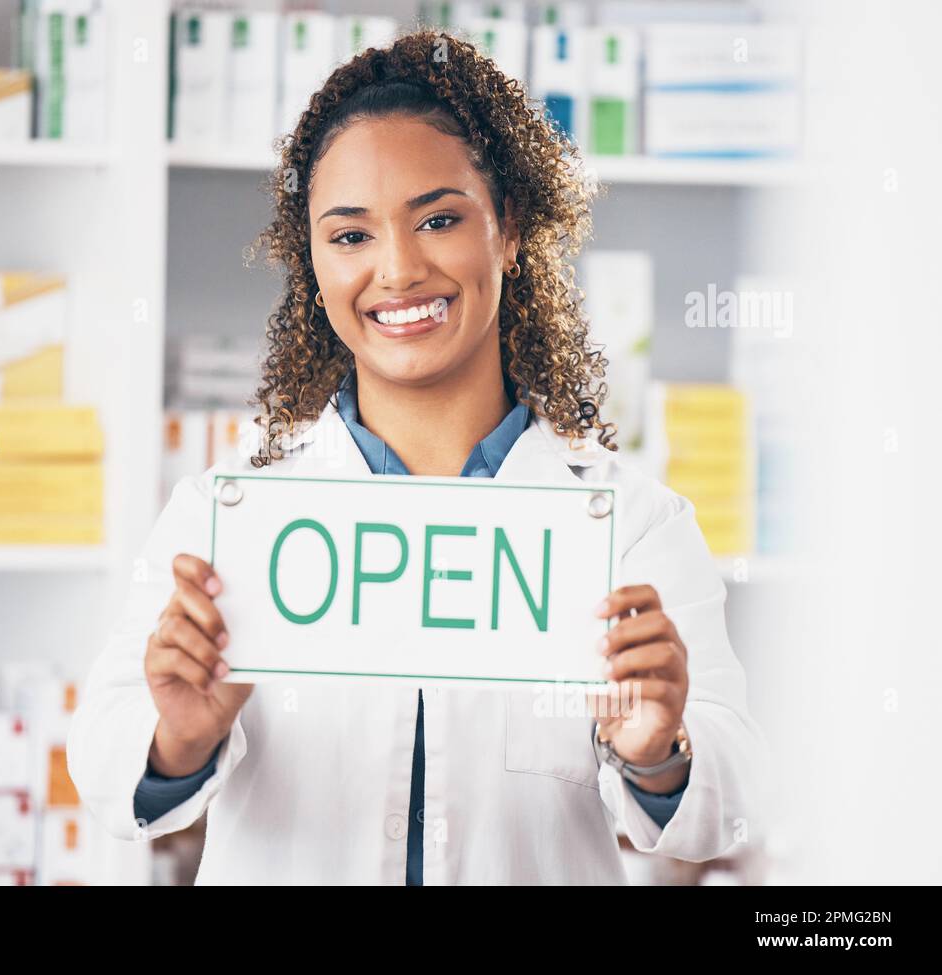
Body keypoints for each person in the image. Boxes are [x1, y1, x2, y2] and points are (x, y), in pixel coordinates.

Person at [69, 30, 763, 884]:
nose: (397, 271)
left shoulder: (632, 527)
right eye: (351, 236)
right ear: (314, 265)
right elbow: (104, 764)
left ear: (508, 228)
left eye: (438, 219)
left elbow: (729, 799)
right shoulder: (231, 511)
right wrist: (178, 737)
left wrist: (660, 748)